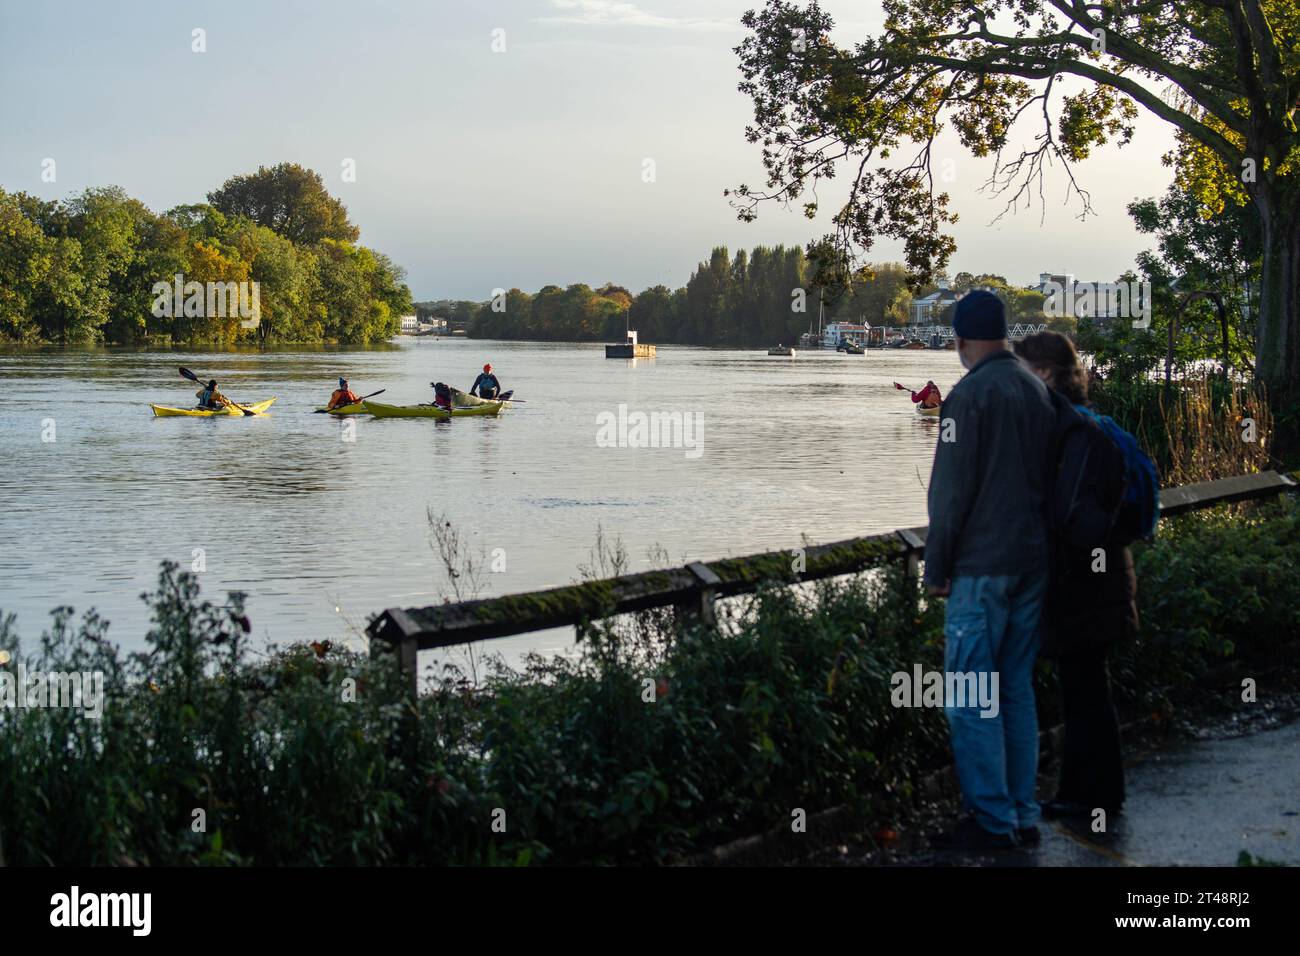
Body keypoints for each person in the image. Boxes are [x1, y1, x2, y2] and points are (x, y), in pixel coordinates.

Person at [925, 290, 1057, 851]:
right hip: (1033, 562)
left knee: (973, 693)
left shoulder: (968, 397)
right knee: (1016, 691)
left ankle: (991, 821)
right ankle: (1024, 813)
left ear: (962, 339)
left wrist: (937, 566)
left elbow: (949, 493)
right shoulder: (1036, 389)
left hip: (981, 567)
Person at [1014, 331, 1136, 821]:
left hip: (1086, 584)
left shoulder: (1074, 433)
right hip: (1098, 581)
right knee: (1087, 690)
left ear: (1045, 373)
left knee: (1084, 693)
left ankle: (1089, 796)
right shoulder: (1083, 425)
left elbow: (1077, 517)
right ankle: (1091, 792)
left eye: (1025, 371)